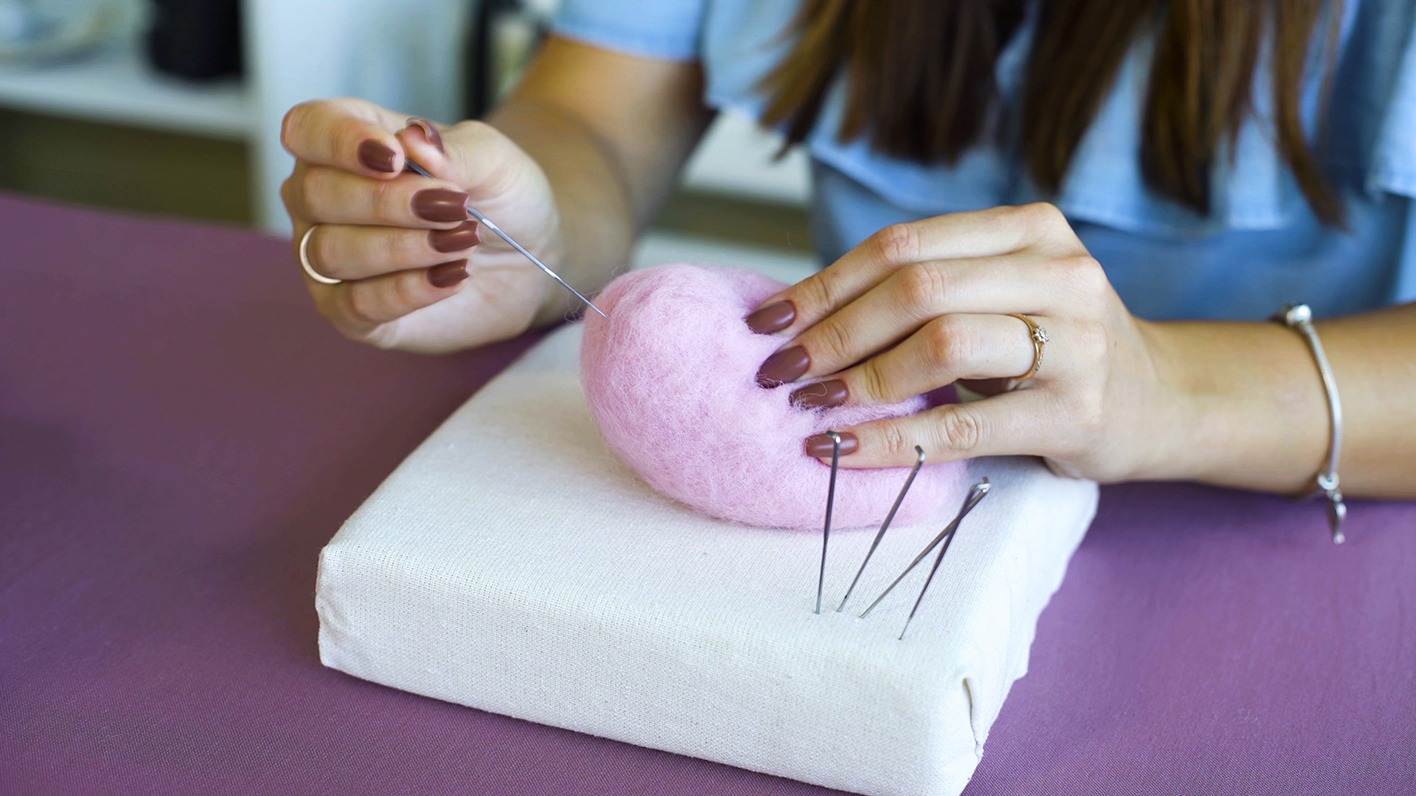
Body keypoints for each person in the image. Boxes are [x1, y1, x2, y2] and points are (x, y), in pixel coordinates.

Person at [278, 0, 1416, 524]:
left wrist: (1172, 390)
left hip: (1282, 541)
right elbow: (600, 119)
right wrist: (528, 228)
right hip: (865, 505)